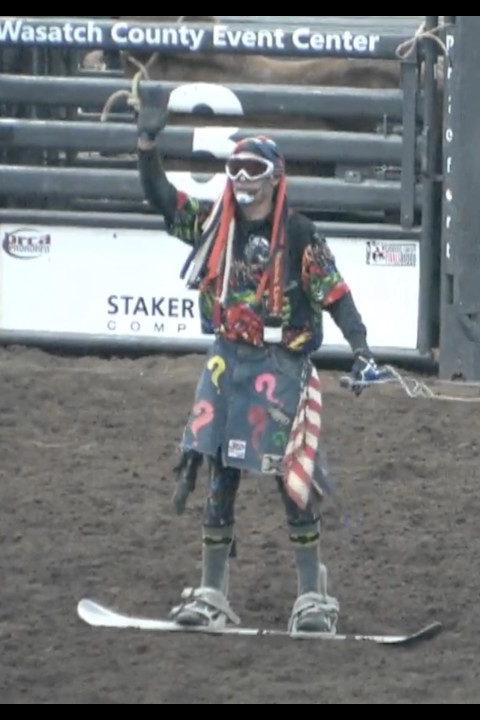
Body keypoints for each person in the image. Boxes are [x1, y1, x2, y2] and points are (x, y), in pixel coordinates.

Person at [133, 85, 383, 633]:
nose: (241, 179)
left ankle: (312, 594)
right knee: (219, 471)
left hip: (281, 364)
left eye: (252, 169)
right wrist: (148, 144)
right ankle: (212, 591)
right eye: (234, 169)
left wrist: (362, 351)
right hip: (227, 362)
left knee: (289, 478)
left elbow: (335, 296)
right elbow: (159, 196)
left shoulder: (298, 235)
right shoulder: (211, 224)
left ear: (275, 176)